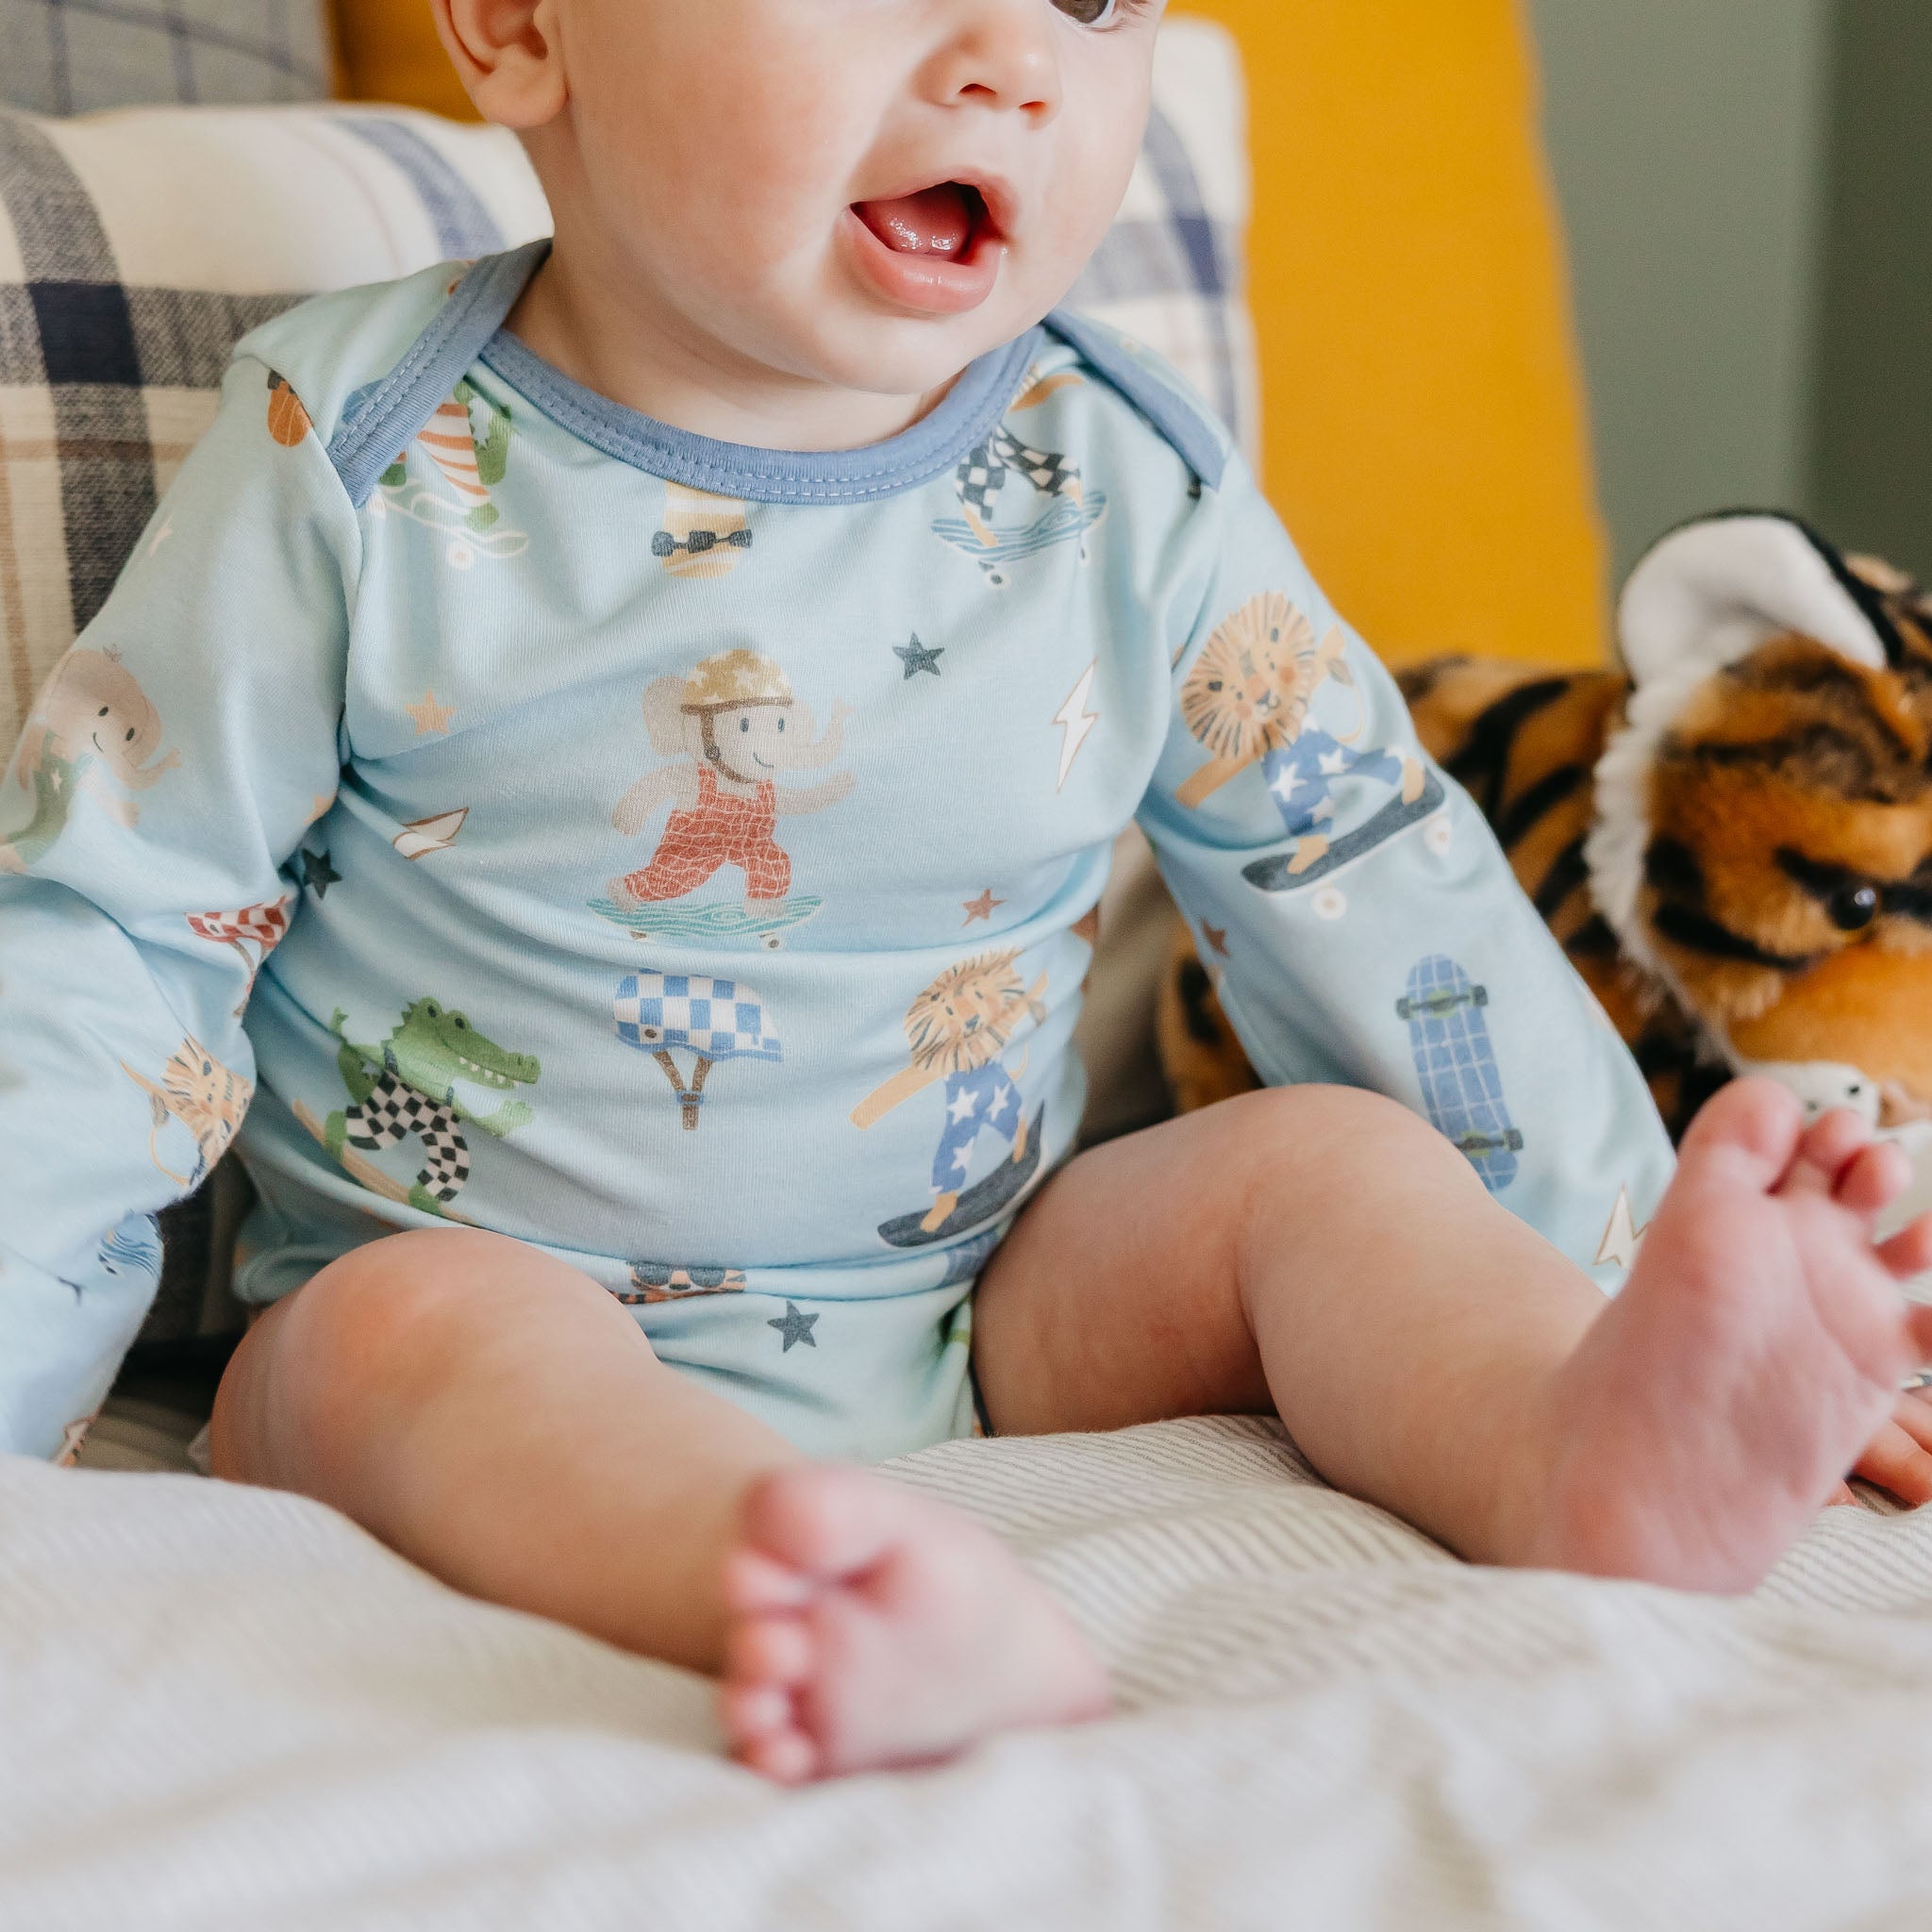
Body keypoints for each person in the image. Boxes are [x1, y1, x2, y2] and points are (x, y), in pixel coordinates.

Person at [6, 0, 1932, 1787]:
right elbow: (122, 924)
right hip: (461, 1309)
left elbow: (1376, 883)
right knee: (400, 1336)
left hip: (977, 1312)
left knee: (1325, 1165)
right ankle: (766, 1569)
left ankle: (1583, 1438)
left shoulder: (1124, 482)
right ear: (521, 24)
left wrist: (1605, 1247)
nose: (1014, 58)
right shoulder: (349, 452)